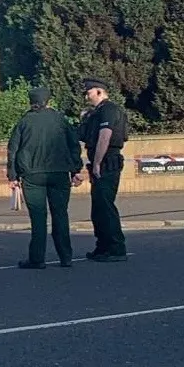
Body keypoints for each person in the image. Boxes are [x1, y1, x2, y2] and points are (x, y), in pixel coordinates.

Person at [6, 86, 84, 269]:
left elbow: (13, 150)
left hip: (32, 175)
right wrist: (75, 170)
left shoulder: (24, 122)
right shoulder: (60, 120)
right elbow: (74, 146)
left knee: (38, 218)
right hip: (59, 173)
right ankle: (66, 257)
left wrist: (13, 175)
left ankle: (37, 259)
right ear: (48, 101)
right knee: (60, 215)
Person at [78, 77, 128, 262]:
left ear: (99, 91)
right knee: (98, 208)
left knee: (106, 207)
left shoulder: (109, 110)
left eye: (89, 92)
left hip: (108, 162)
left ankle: (116, 248)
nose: (87, 96)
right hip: (101, 162)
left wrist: (97, 162)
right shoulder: (96, 112)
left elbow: (105, 136)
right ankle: (103, 246)